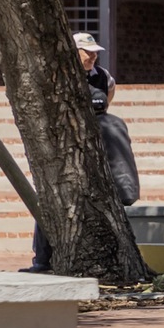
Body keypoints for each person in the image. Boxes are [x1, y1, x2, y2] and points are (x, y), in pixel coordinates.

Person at [26, 32, 140, 273]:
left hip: (93, 149)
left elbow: (104, 109)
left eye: (95, 52)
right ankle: (42, 260)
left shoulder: (105, 79)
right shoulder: (58, 77)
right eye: (87, 52)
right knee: (50, 202)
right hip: (65, 147)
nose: (93, 56)